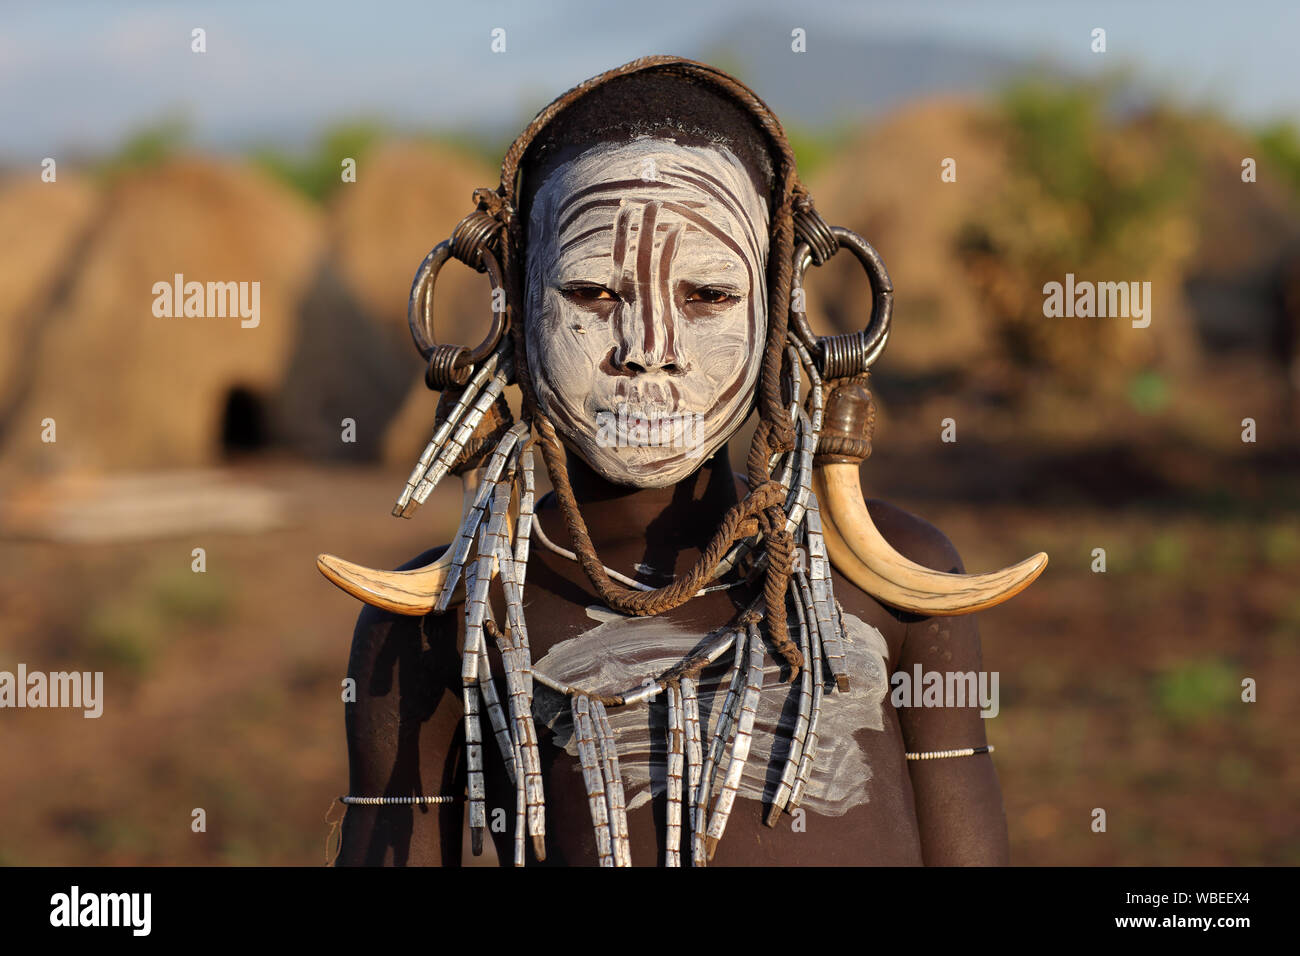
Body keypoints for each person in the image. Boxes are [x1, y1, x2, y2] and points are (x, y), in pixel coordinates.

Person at [321, 56, 1046, 866]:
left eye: (707, 296)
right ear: (515, 311)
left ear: (780, 310)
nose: (650, 352)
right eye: (594, 295)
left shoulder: (897, 582)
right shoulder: (441, 622)